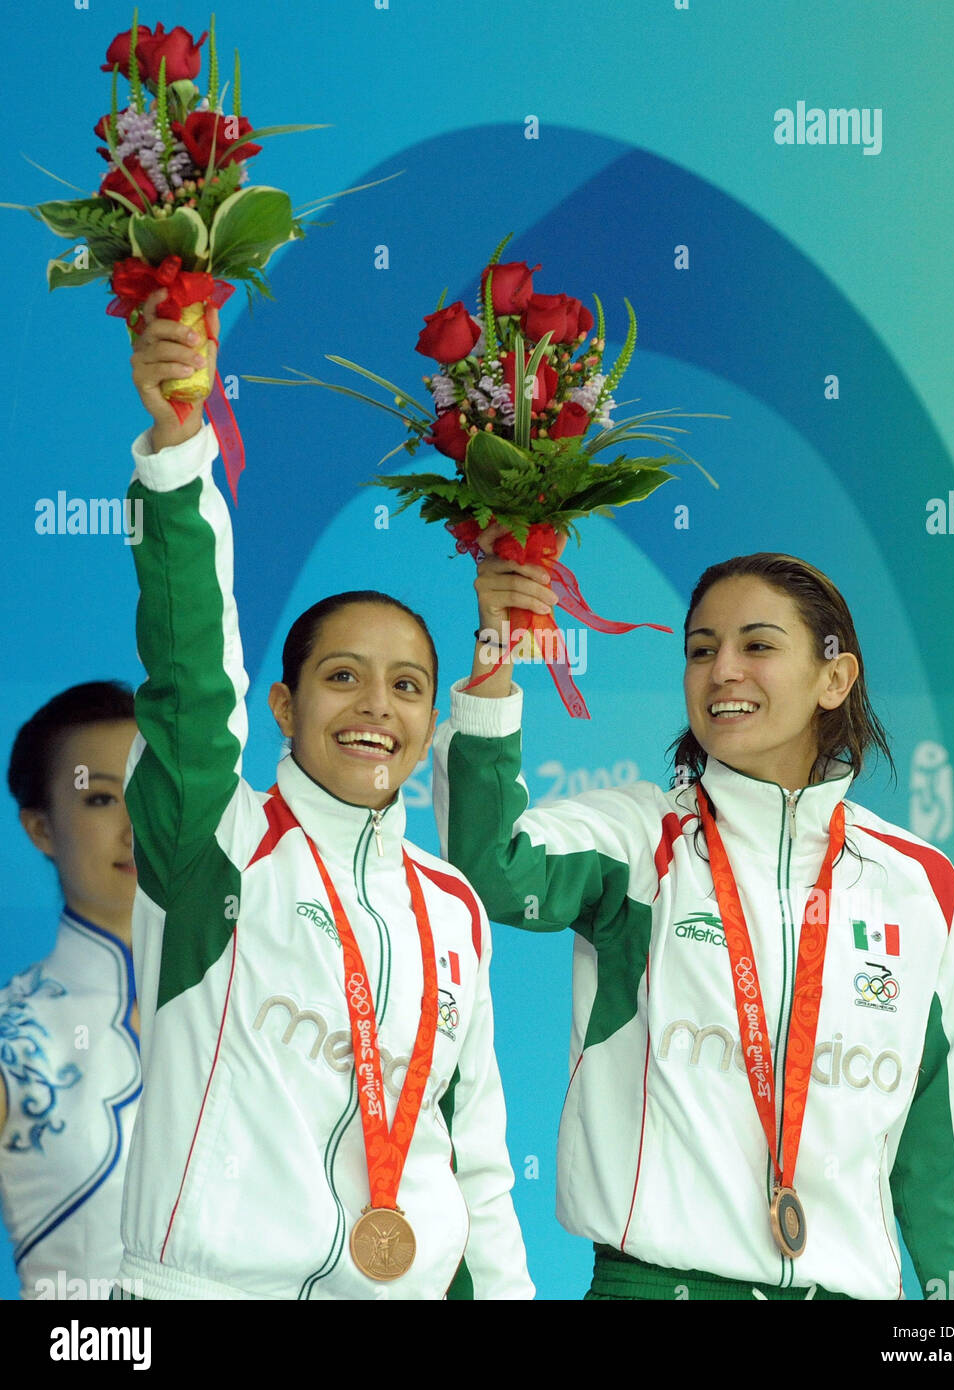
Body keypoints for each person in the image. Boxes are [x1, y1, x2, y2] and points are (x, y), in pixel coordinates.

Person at [433, 544, 954, 1300]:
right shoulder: (639, 841)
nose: (722, 670)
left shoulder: (921, 886)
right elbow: (489, 869)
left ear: (835, 677)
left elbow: (942, 1158)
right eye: (702, 650)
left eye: (757, 645)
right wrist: (498, 656)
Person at [115, 295, 532, 1300]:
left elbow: (472, 1163)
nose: (375, 708)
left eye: (406, 686)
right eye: (342, 676)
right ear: (285, 706)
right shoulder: (214, 844)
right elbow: (187, 684)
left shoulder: (450, 910)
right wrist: (179, 453)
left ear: (433, 722)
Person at [1, 682, 141, 1300]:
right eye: (102, 798)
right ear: (42, 829)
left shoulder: (263, 1006)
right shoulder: (15, 1034)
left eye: (153, 791)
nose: (136, 824)